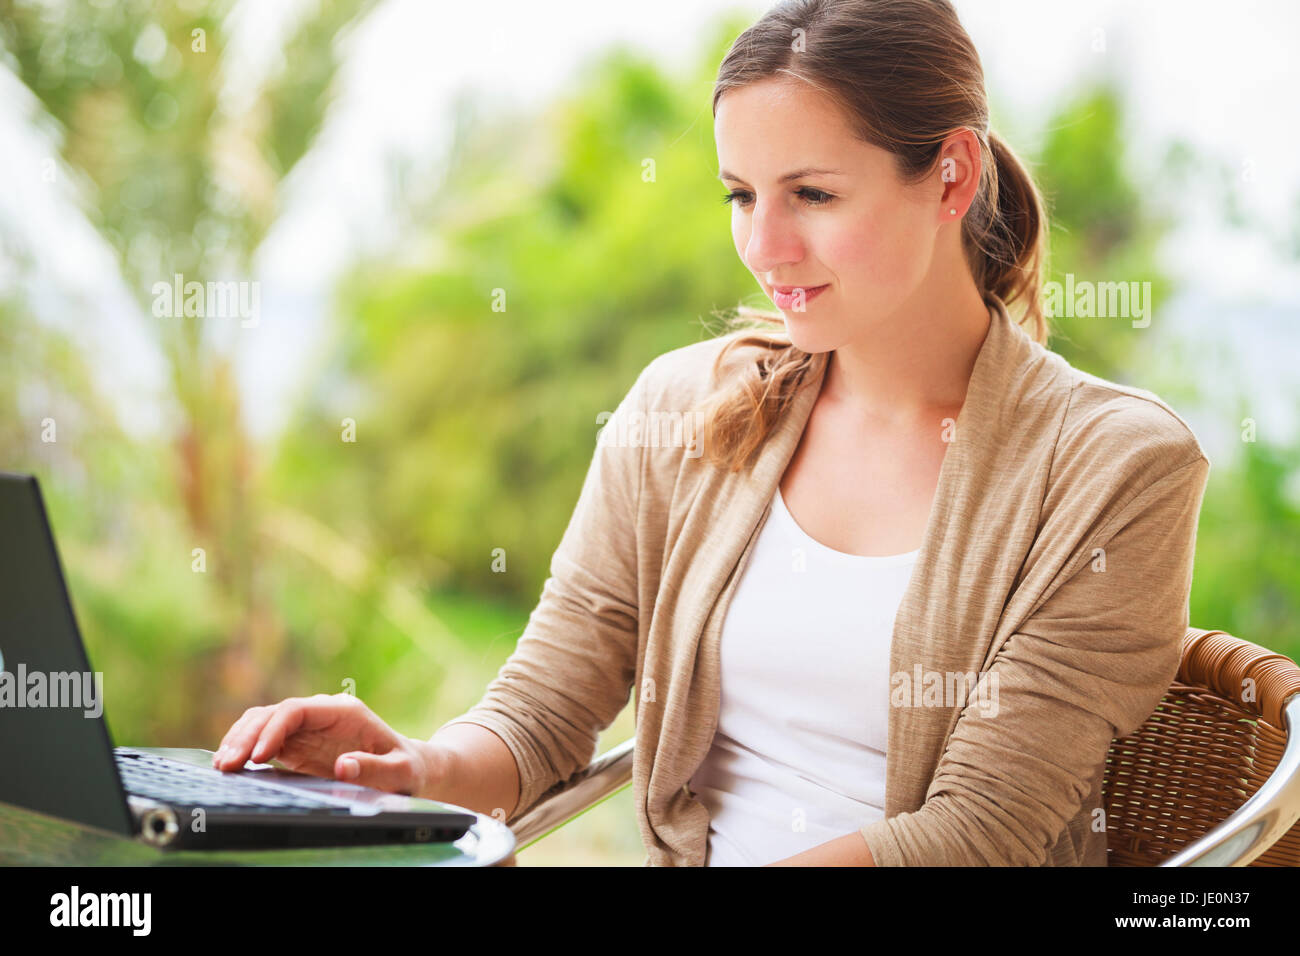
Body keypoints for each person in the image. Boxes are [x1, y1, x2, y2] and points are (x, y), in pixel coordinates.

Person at [212, 0, 1211, 866]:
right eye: (741, 195)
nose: (765, 248)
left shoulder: (1117, 466)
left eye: (812, 194)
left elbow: (979, 832)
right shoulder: (683, 410)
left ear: (951, 176)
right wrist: (411, 768)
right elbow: (544, 709)